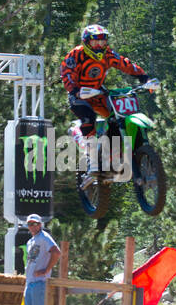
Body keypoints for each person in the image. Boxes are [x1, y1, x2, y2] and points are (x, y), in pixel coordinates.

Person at [60, 24, 158, 187]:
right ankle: (91, 159)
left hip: (98, 93)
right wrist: (75, 90)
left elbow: (125, 63)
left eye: (103, 42)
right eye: (95, 43)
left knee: (117, 117)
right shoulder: (75, 55)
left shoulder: (108, 54)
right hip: (79, 95)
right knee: (88, 117)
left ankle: (114, 155)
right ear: (86, 42)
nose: (100, 46)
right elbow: (66, 73)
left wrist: (143, 77)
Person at [22, 213, 59, 305]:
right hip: (30, 282)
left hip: (40, 282)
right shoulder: (30, 241)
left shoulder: (44, 237)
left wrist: (46, 270)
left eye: (35, 223)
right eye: (30, 224)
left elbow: (56, 252)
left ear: (40, 225)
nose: (32, 226)